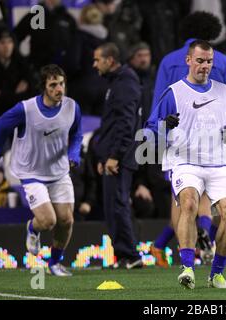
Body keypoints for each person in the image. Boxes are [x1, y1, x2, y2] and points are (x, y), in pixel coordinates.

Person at [146, 40, 226, 289]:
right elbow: (149, 129)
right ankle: (188, 267)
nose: (205, 66)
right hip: (185, 161)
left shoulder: (224, 92)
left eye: (209, 61)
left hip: (219, 163)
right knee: (189, 203)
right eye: (200, 60)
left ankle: (217, 274)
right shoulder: (174, 92)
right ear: (188, 61)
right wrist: (164, 126)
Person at [0, 64, 82, 276]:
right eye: (53, 85)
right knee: (48, 221)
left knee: (66, 221)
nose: (59, 89)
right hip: (31, 172)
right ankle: (32, 228)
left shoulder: (72, 107)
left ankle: (55, 263)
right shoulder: (26, 109)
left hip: (59, 172)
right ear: (44, 87)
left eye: (62, 83)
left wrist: (74, 154)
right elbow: (1, 124)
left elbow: (76, 134)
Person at [93, 42, 143, 269]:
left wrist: (114, 156)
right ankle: (124, 255)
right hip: (114, 155)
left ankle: (130, 255)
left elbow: (126, 123)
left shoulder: (125, 82)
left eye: (97, 60)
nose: (95, 64)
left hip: (120, 156)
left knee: (118, 203)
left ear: (110, 60)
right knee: (114, 203)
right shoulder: (116, 82)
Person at [0, 28, 34, 141]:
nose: (7, 46)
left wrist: (0, 94)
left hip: (18, 124)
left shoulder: (23, 65)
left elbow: (29, 99)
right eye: (2, 42)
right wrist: (15, 94)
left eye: (10, 42)